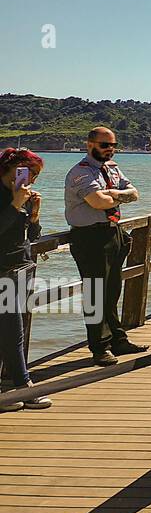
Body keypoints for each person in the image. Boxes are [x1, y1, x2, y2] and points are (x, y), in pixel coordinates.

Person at [63, 127, 149, 366]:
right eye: (104, 145)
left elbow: (135, 193)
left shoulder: (112, 168)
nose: (110, 149)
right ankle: (99, 348)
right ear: (89, 144)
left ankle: (118, 340)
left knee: (112, 292)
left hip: (113, 233)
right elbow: (98, 202)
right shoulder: (80, 173)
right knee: (94, 294)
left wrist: (112, 192)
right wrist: (117, 195)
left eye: (113, 145)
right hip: (89, 238)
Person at [0, 148, 53, 410]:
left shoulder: (20, 196)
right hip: (3, 271)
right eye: (28, 172)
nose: (30, 179)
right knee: (13, 332)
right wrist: (15, 204)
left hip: (20, 268)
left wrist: (33, 214)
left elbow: (31, 236)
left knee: (9, 331)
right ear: (12, 167)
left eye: (34, 175)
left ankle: (10, 391)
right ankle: (24, 387)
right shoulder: (7, 196)